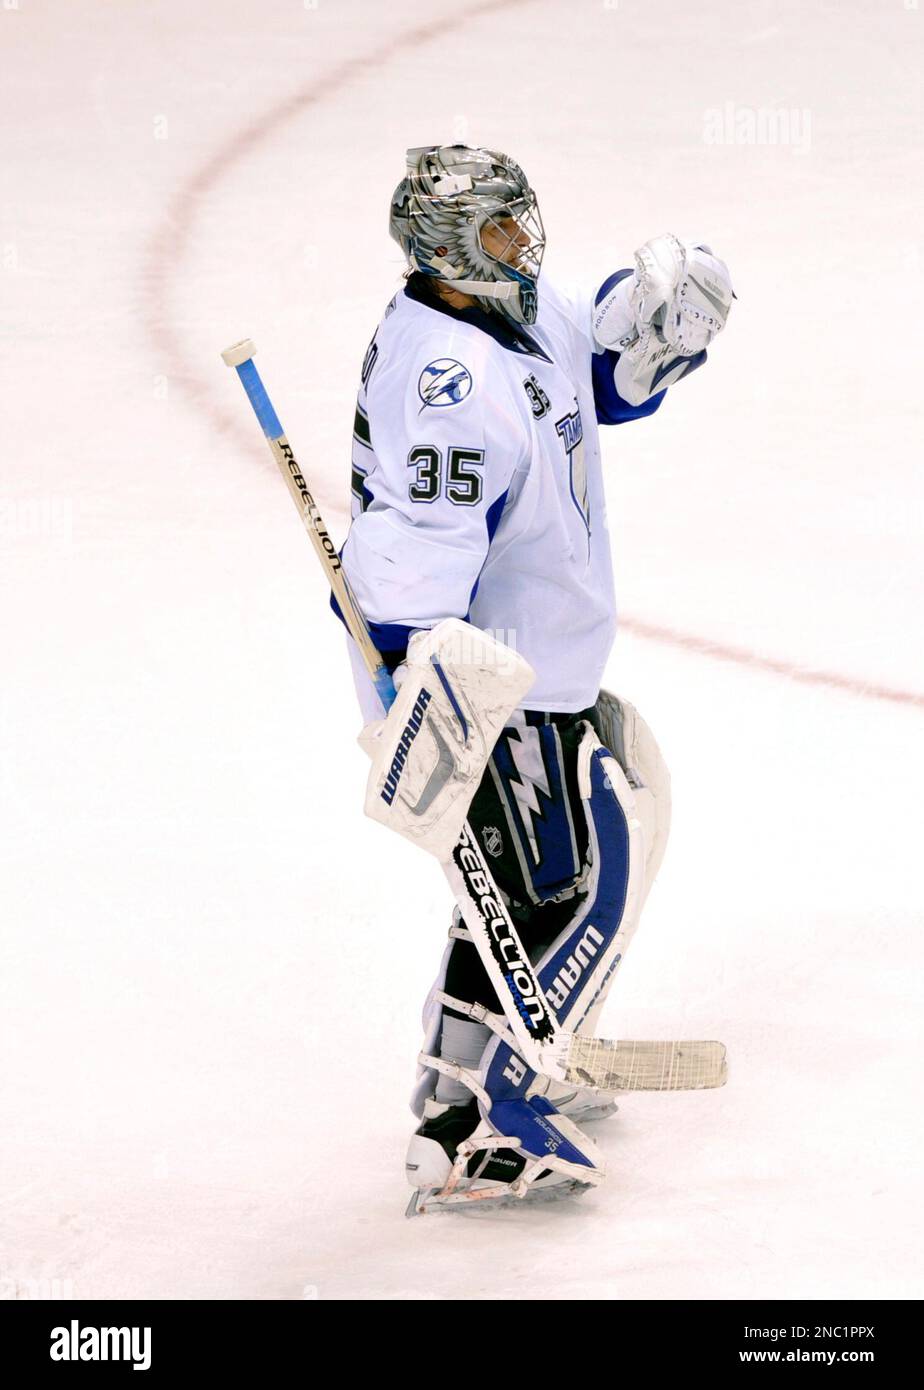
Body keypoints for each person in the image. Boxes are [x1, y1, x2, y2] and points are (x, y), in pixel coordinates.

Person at [337, 144, 734, 1212]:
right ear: (447, 250)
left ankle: (458, 1087)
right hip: (486, 678)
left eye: (524, 223)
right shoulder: (444, 377)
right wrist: (421, 682)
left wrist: (651, 333)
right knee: (566, 892)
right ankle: (478, 1121)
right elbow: (414, 544)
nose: (527, 246)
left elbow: (587, 371)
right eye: (502, 232)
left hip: (540, 663)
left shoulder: (507, 306)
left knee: (522, 891)